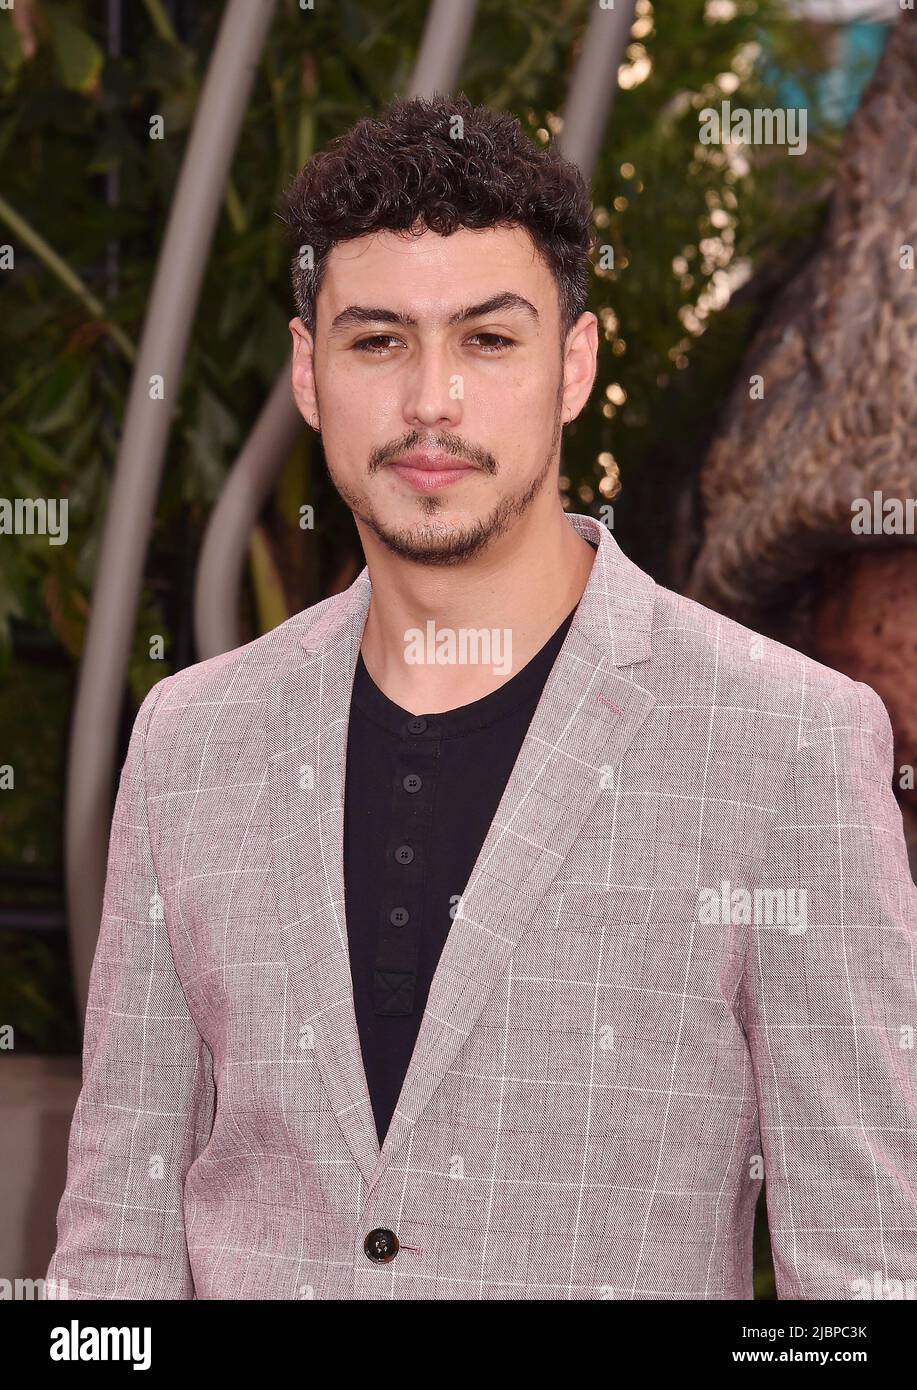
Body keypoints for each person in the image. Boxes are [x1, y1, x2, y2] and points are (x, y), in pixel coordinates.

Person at [47, 94, 916, 1300]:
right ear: (309, 373)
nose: (430, 401)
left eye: (488, 340)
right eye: (377, 340)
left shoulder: (788, 744)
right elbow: (115, 1245)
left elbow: (869, 1274)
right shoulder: (191, 738)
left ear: (574, 364)